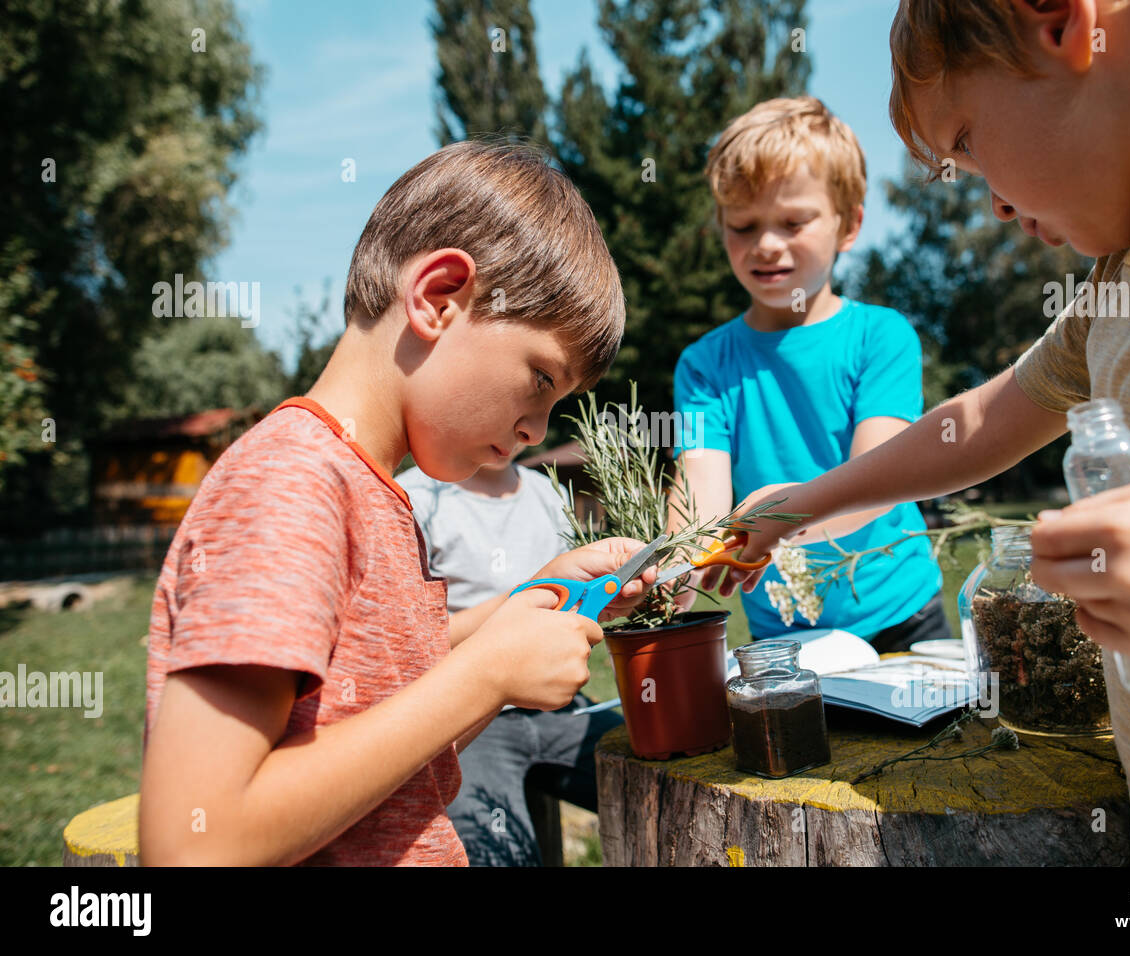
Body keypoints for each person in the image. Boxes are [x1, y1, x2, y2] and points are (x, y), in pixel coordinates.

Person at [724, 0, 1130, 865]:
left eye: (964, 141)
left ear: (1061, 22)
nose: (991, 203)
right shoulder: (1121, 282)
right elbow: (982, 421)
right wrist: (794, 509)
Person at [138, 140, 658, 866]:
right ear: (438, 297)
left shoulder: (372, 494)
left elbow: (383, 729)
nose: (538, 429)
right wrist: (485, 677)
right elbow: (196, 841)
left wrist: (547, 598)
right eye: (542, 378)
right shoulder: (291, 486)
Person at [669, 96, 949, 652]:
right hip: (784, 637)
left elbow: (878, 480)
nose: (767, 244)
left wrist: (779, 509)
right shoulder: (704, 365)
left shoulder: (881, 337)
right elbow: (698, 496)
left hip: (902, 617)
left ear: (849, 225)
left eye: (793, 221)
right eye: (743, 225)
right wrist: (672, 570)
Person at [396, 446, 623, 866]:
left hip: (561, 711)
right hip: (473, 723)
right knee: (497, 853)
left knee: (657, 780)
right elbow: (413, 641)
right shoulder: (412, 499)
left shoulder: (547, 493)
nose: (529, 426)